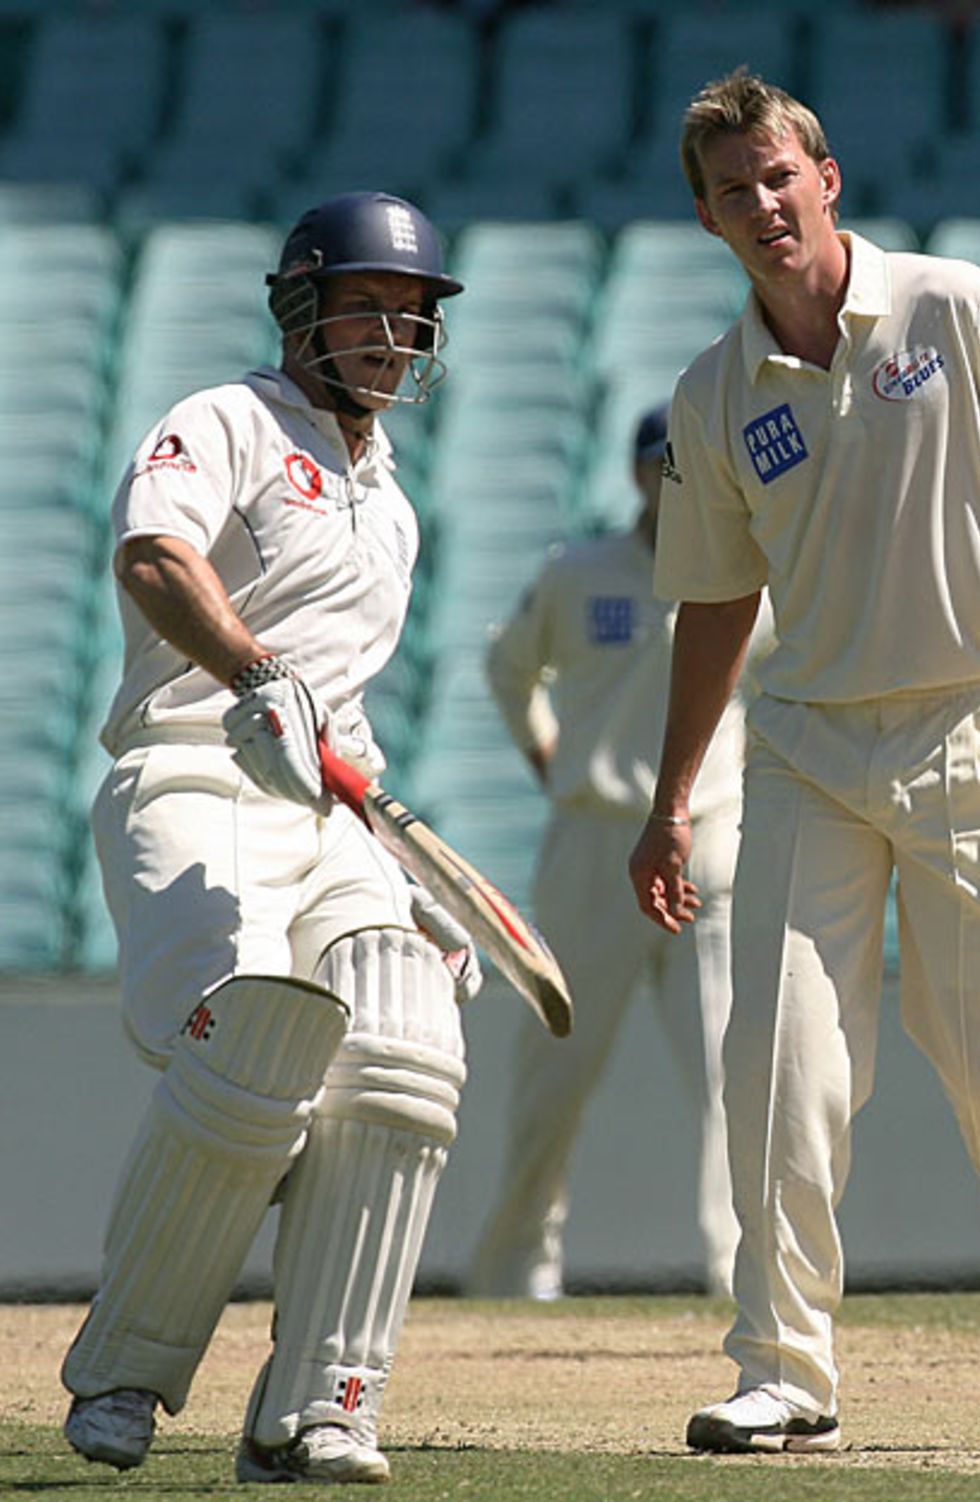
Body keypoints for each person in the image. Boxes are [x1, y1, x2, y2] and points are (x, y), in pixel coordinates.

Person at [628, 70, 980, 1455]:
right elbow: (718, 601)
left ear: (826, 175)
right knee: (780, 1057)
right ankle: (785, 1367)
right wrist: (675, 797)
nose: (763, 204)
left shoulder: (950, 305)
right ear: (706, 217)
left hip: (973, 720)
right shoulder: (711, 392)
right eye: (734, 190)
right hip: (805, 745)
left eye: (779, 176)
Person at [61, 191, 483, 1485]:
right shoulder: (227, 420)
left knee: (409, 1048)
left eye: (410, 316)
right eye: (367, 305)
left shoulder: (396, 507)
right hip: (192, 777)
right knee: (258, 1035)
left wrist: (404, 871)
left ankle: (320, 1405)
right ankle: (129, 1367)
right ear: (299, 307)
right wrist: (250, 673)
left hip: (331, 815)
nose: (392, 334)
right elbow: (150, 556)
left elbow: (338, 717)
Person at [468, 402, 767, 1301]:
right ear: (636, 473)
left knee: (728, 1074)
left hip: (705, 845)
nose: (670, 483)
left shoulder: (746, 575)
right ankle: (517, 1273)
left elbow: (786, 683)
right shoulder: (578, 573)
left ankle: (736, 1272)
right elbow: (508, 668)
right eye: (657, 465)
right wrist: (547, 754)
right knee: (553, 1072)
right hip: (595, 841)